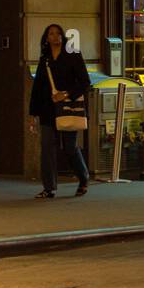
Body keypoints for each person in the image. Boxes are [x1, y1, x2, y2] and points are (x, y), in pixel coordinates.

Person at [28, 23, 92, 198]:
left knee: (70, 147)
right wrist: (33, 113)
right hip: (48, 109)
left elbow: (85, 82)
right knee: (47, 147)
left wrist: (66, 94)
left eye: (58, 33)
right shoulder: (45, 58)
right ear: (46, 38)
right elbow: (38, 87)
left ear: (63, 37)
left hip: (67, 106)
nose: (55, 36)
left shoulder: (73, 55)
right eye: (51, 34)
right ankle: (49, 188)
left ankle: (83, 177)